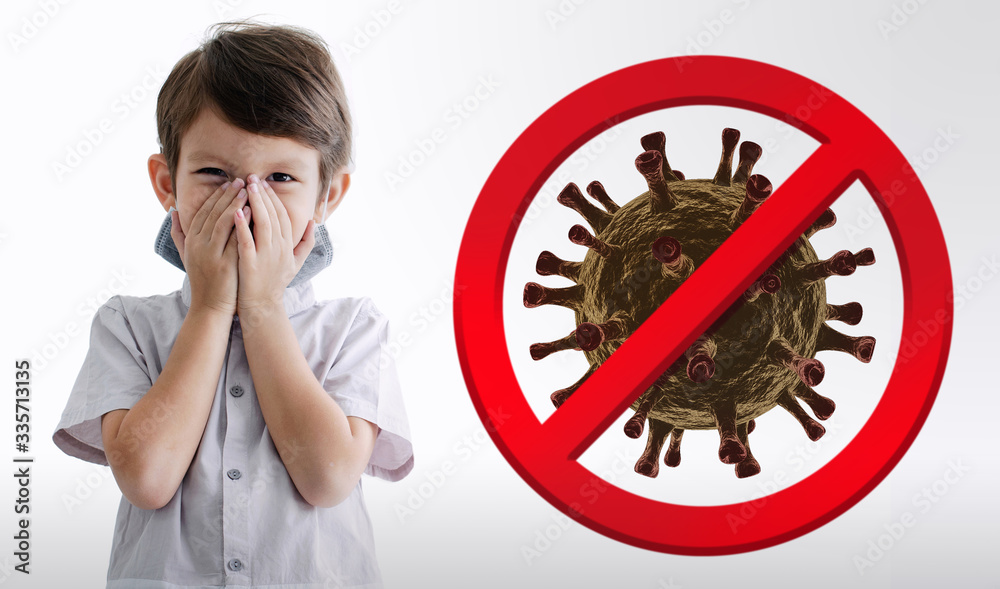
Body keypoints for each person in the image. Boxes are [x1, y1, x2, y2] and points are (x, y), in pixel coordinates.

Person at [52, 20, 413, 588]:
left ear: (328, 195)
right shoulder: (128, 325)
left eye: (281, 177)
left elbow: (327, 478)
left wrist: (264, 309)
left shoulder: (352, 329)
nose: (246, 202)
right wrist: (212, 310)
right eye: (215, 174)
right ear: (167, 183)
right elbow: (147, 479)